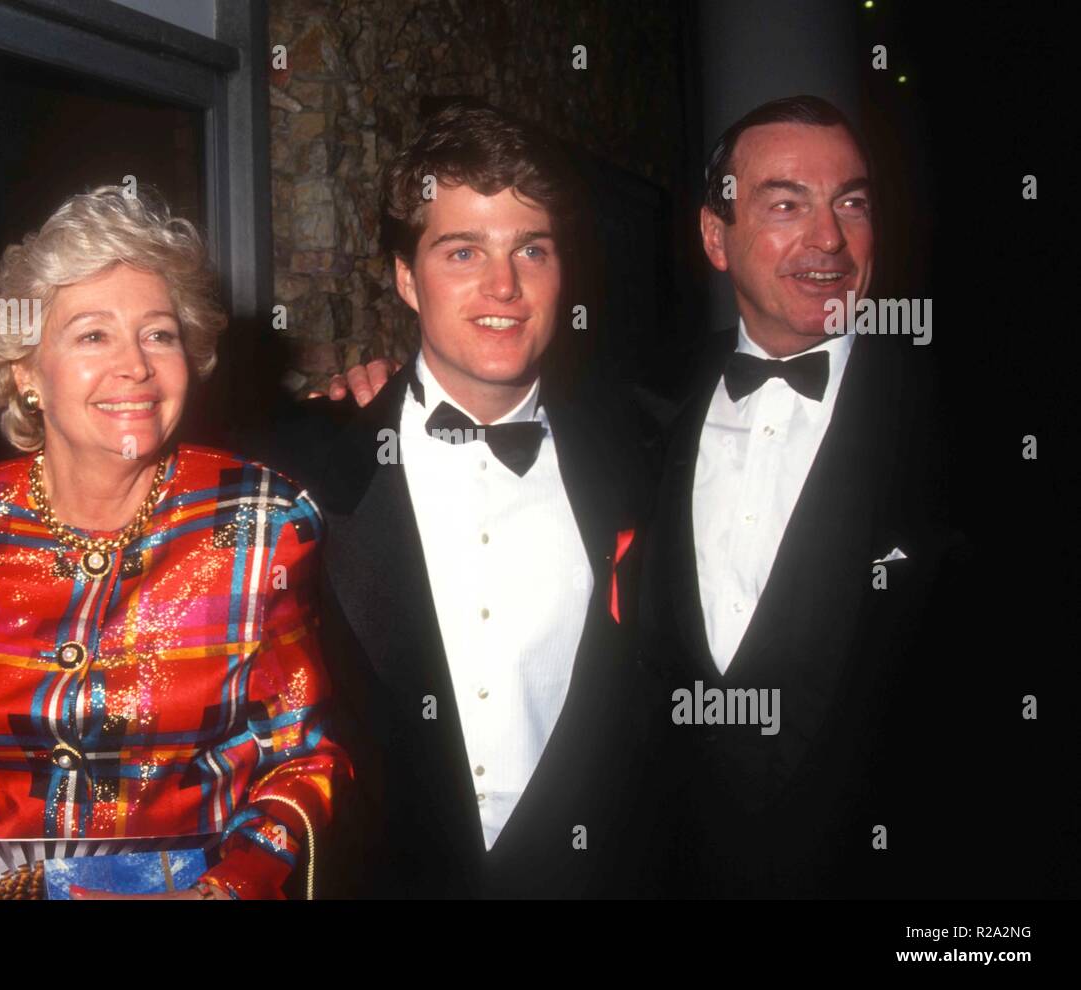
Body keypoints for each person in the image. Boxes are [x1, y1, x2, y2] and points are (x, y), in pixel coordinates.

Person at [0, 186, 349, 900]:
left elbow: (303, 758)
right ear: (25, 373)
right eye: (93, 334)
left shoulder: (263, 523)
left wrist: (236, 885)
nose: (135, 365)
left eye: (159, 333)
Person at [249, 102, 669, 898]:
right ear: (407, 278)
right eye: (464, 250)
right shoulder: (298, 474)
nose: (503, 286)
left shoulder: (648, 459)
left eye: (531, 251)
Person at [644, 95, 977, 898]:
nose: (829, 239)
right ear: (714, 236)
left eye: (852, 203)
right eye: (786, 203)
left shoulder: (973, 431)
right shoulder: (642, 414)